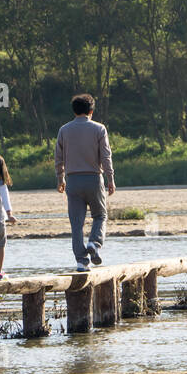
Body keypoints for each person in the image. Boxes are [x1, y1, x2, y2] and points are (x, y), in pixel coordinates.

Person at [55, 93, 115, 271]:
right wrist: (110, 178)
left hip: (72, 180)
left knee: (76, 224)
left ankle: (81, 261)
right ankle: (94, 244)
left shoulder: (64, 130)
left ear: (74, 111)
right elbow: (106, 156)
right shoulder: (99, 129)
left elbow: (58, 158)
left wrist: (60, 178)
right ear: (91, 111)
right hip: (94, 178)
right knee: (100, 215)